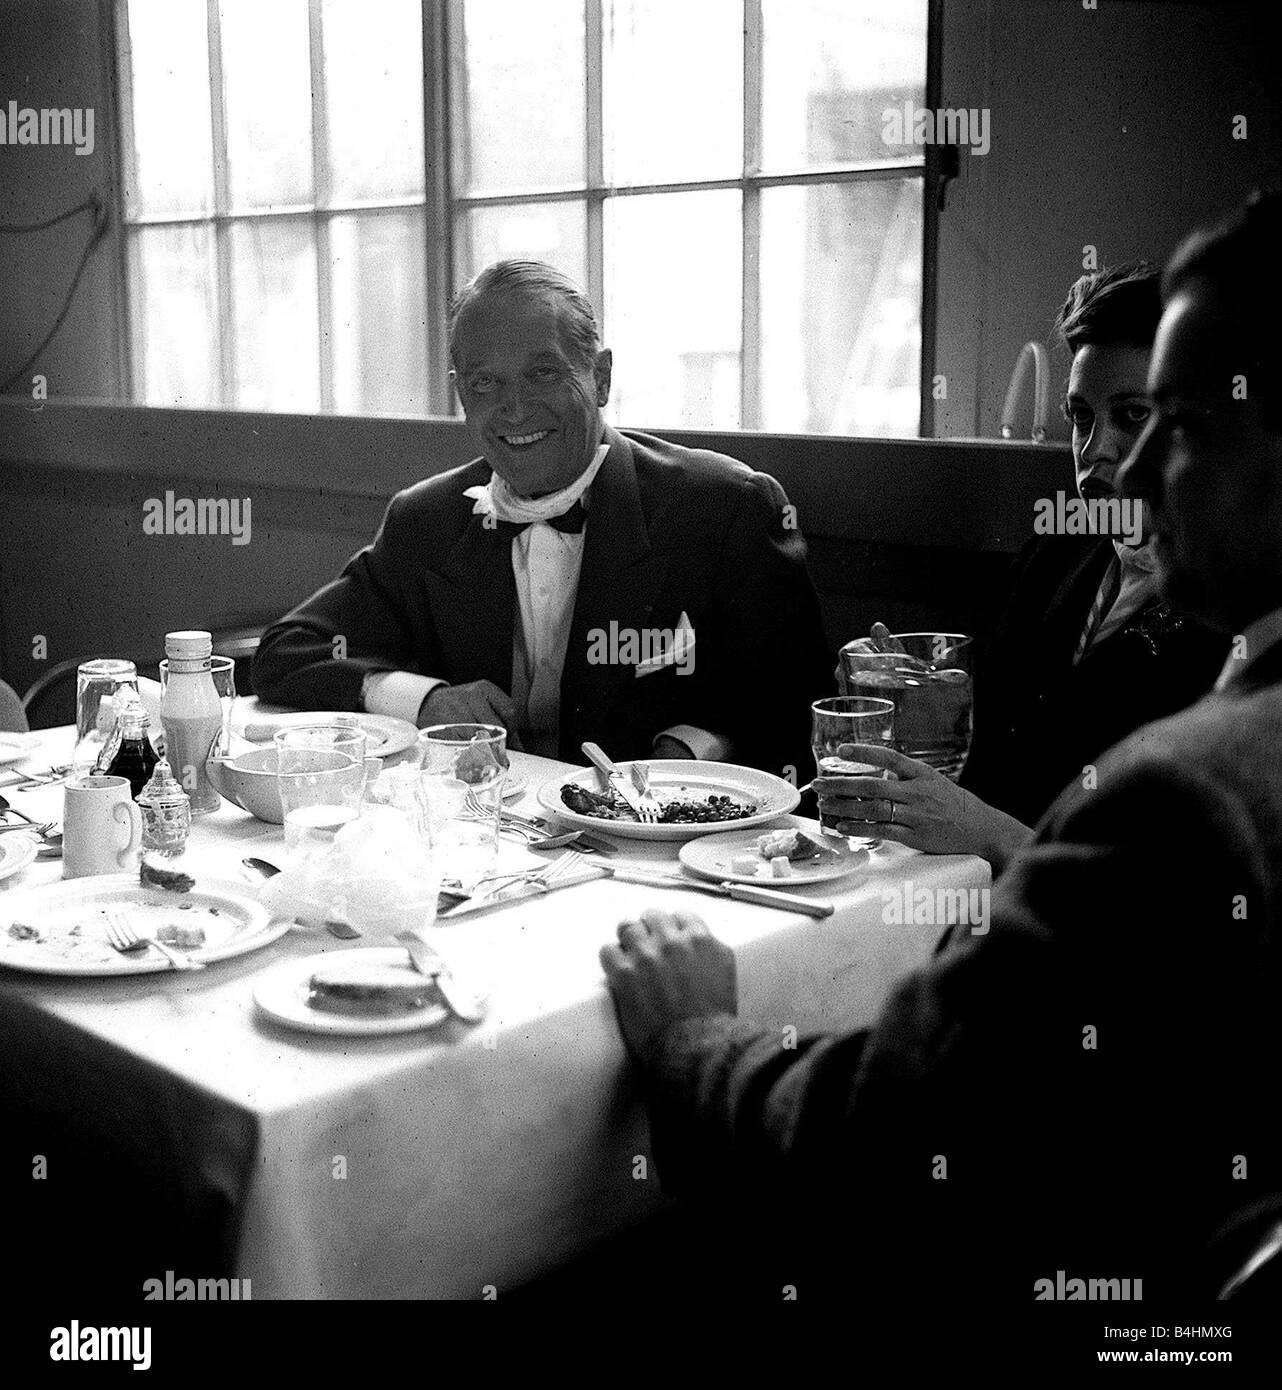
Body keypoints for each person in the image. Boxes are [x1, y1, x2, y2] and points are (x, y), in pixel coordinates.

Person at [599, 193, 1282, 1302]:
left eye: (1182, 421)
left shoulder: (1189, 802)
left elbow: (876, 1148)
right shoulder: (1081, 576)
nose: (1129, 466)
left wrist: (694, 1035)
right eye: (1095, 419)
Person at [254, 261, 832, 773]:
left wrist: (685, 754)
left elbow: (795, 702)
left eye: (544, 373)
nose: (514, 407)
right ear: (461, 396)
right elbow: (287, 652)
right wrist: (424, 700)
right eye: (486, 383)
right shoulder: (423, 519)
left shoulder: (726, 507)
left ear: (600, 378)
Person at [826, 266, 1226, 871]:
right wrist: (926, 699)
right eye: (1082, 419)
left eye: (1132, 416)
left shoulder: (1232, 609)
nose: (1095, 453)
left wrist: (994, 835)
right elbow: (1000, 737)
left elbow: (1179, 892)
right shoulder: (1062, 544)